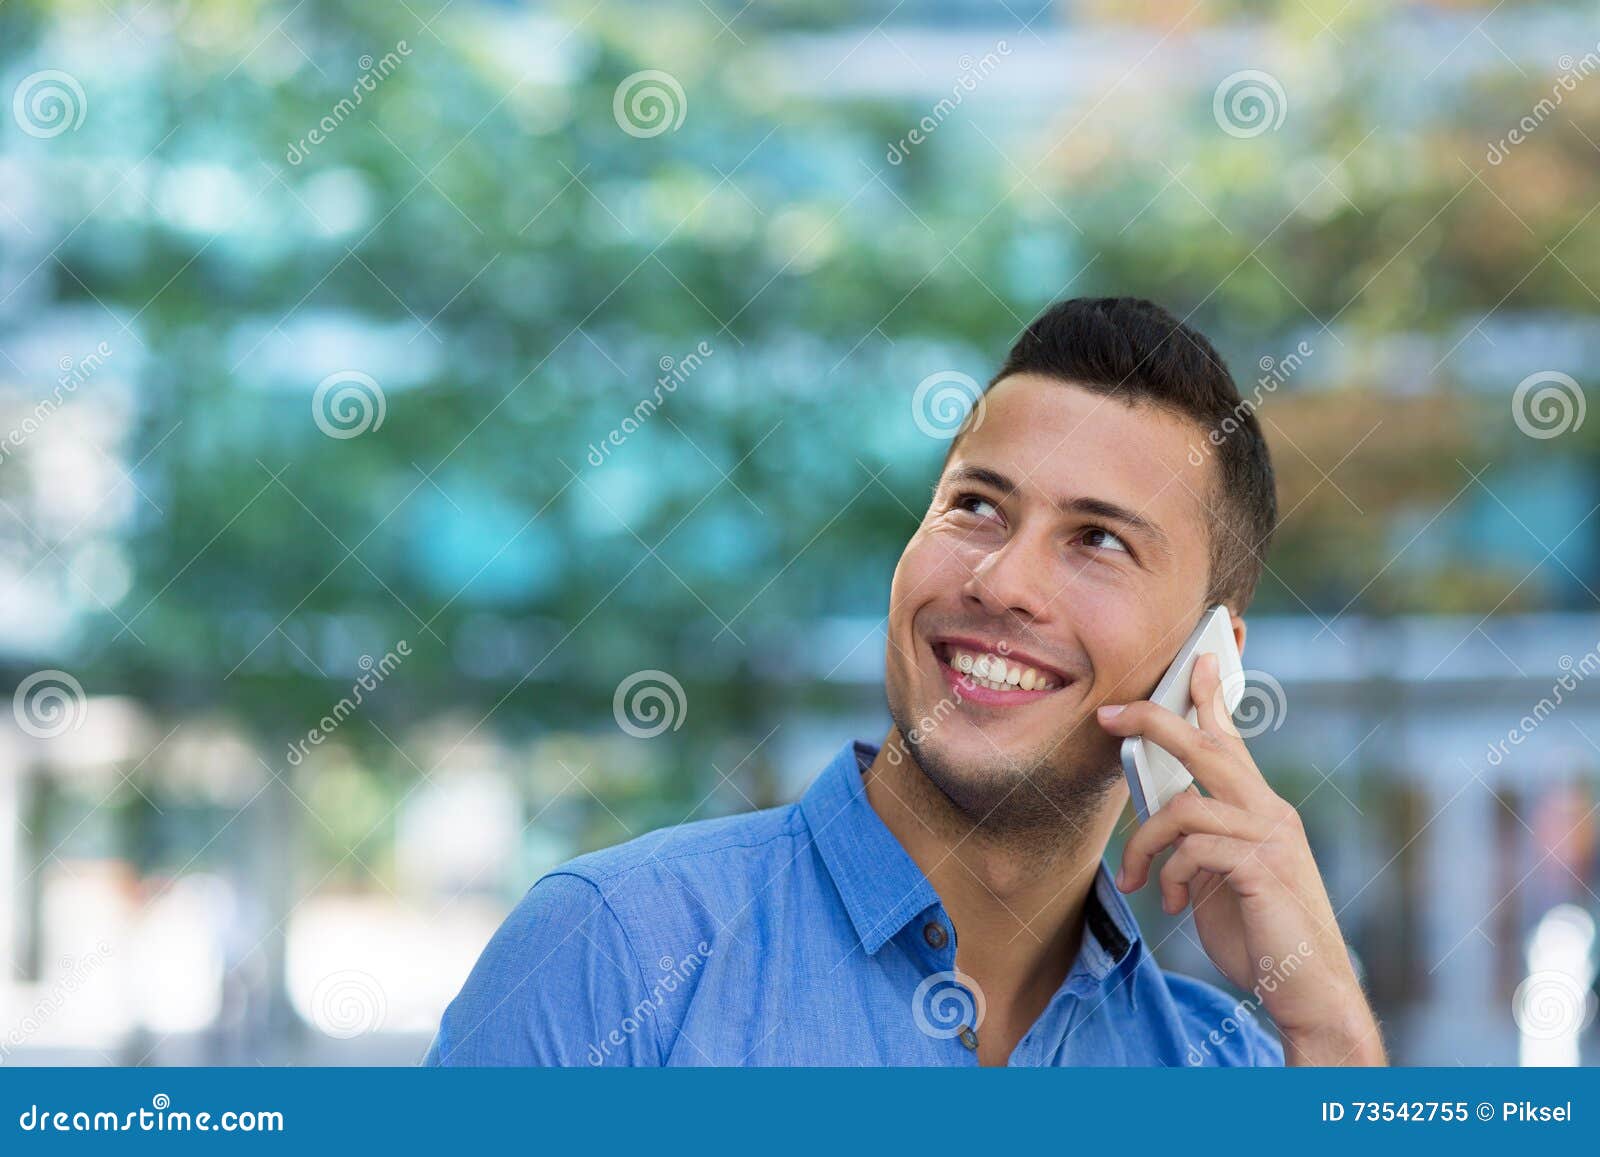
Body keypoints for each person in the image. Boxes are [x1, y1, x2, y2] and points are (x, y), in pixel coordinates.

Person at [424, 296, 1386, 1067]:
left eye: (1097, 539)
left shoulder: (1236, 1074)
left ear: (1207, 664)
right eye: (975, 505)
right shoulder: (614, 951)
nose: (1001, 580)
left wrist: (1331, 1030)